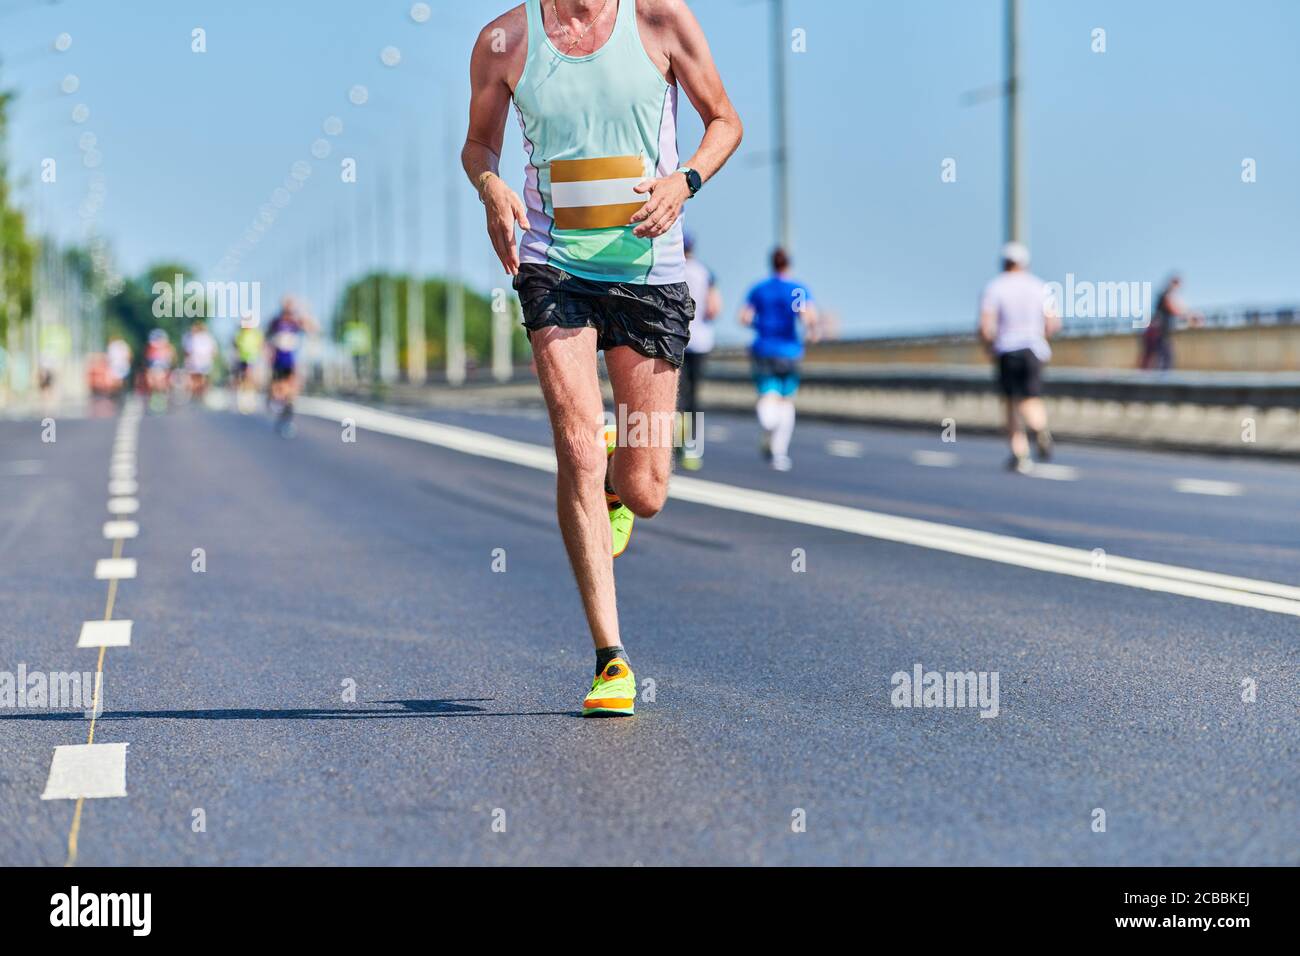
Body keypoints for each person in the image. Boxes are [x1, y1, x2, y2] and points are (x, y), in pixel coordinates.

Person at [463, 0, 741, 716]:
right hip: (554, 264)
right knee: (578, 451)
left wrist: (686, 182)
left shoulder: (658, 19)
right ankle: (609, 659)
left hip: (649, 268)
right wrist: (492, 187)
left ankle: (623, 478)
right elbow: (478, 146)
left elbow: (724, 123)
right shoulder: (505, 40)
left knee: (646, 490)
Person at [977, 241, 1060, 473]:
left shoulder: (995, 287)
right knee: (1032, 396)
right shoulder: (1040, 286)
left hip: (1007, 349)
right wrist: (1040, 337)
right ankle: (1040, 427)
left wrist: (988, 345)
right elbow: (1053, 322)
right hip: (1034, 349)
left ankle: (1020, 453)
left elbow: (986, 325)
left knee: (1012, 402)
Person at [738, 247, 818, 472]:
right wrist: (812, 331)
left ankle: (768, 429)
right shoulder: (795, 290)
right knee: (786, 400)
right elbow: (805, 316)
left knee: (767, 394)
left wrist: (761, 325)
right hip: (789, 350)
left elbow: (744, 318)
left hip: (764, 348)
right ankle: (779, 452)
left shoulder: (760, 290)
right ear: (789, 264)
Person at [675, 232, 720, 470]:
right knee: (694, 396)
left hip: (675, 340)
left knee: (675, 393)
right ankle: (691, 445)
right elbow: (714, 308)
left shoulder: (672, 269)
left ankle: (674, 434)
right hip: (701, 341)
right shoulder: (706, 273)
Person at [264, 297, 316, 437]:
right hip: (278, 361)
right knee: (278, 390)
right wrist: (267, 353)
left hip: (291, 361)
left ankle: (286, 418)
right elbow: (266, 339)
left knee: (291, 392)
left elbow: (311, 328)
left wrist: (304, 310)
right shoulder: (275, 322)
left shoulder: (295, 322)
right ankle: (274, 402)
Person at [1141, 275, 1198, 371]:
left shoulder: (1168, 295)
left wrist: (1189, 315)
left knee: (1159, 356)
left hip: (1160, 331)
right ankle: (1160, 379)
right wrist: (1190, 316)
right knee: (1164, 357)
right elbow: (1174, 309)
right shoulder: (1165, 294)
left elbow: (1176, 308)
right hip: (1158, 331)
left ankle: (1157, 377)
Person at [232, 314, 264, 414]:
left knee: (250, 377)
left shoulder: (256, 333)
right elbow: (236, 344)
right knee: (241, 378)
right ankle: (242, 398)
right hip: (242, 358)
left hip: (252, 358)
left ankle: (250, 399)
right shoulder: (240, 333)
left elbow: (260, 344)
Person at [182, 319, 217, 400]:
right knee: (194, 379)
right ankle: (196, 396)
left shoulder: (207, 337)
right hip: (194, 363)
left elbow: (213, 351)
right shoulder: (190, 337)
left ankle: (202, 395)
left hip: (204, 362)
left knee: (202, 380)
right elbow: (187, 351)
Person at [143, 328, 175, 411]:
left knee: (160, 386)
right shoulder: (150, 349)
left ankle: (162, 402)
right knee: (152, 385)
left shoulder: (167, 349)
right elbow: (147, 361)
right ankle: (155, 402)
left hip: (162, 370)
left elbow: (170, 360)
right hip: (153, 369)